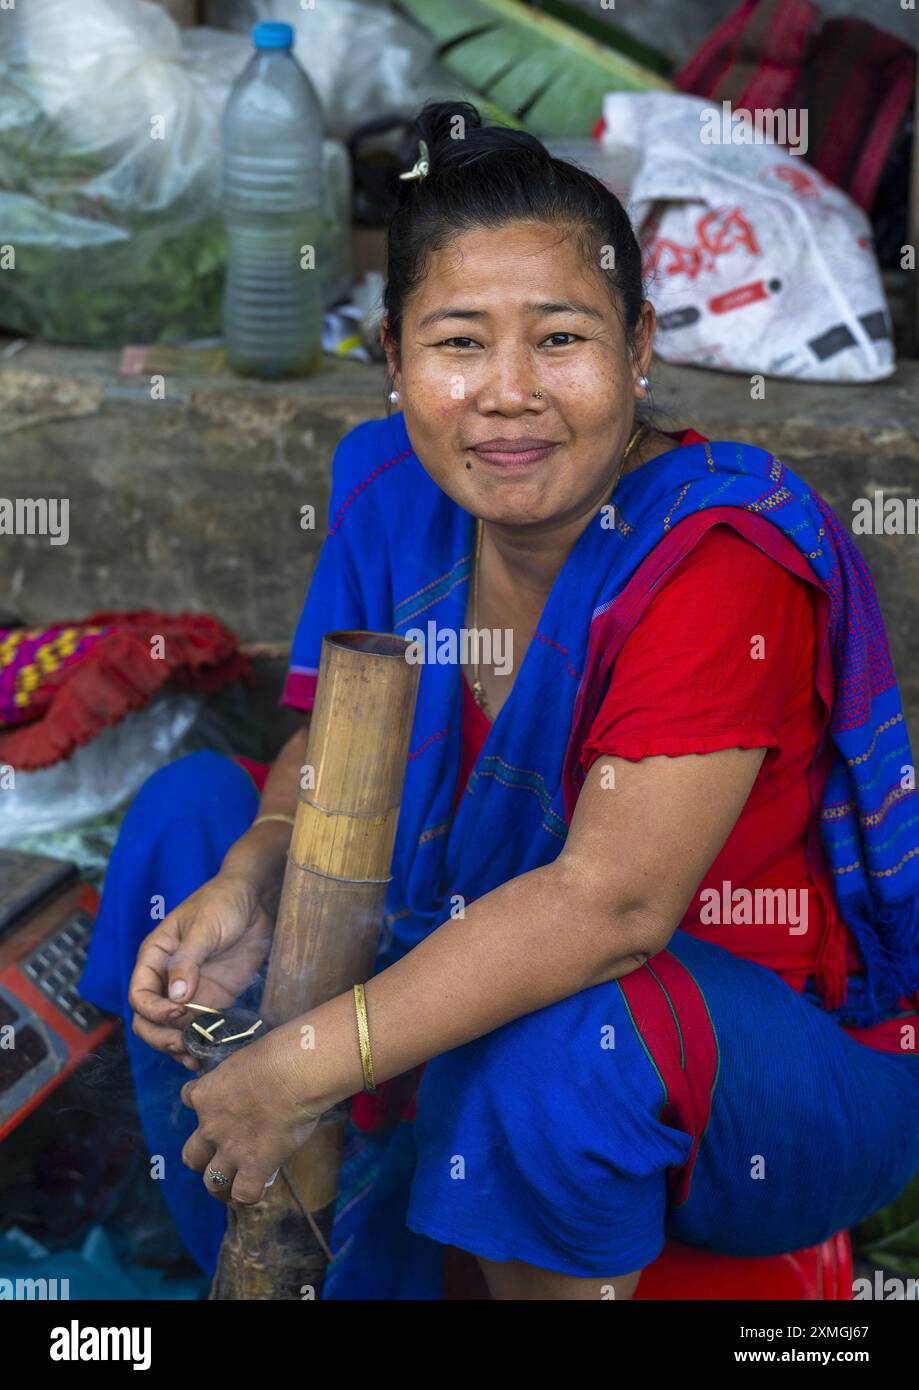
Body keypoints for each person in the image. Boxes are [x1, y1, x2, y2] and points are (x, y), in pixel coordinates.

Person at [81, 101, 919, 1301]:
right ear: (394, 361)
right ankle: (283, 1264)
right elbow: (324, 749)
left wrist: (308, 1058)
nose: (507, 393)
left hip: (752, 1076)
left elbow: (609, 906)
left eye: (561, 340)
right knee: (187, 818)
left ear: (638, 349)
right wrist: (252, 872)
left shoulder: (713, 557)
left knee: (554, 1039)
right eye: (459, 342)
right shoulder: (387, 493)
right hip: (442, 972)